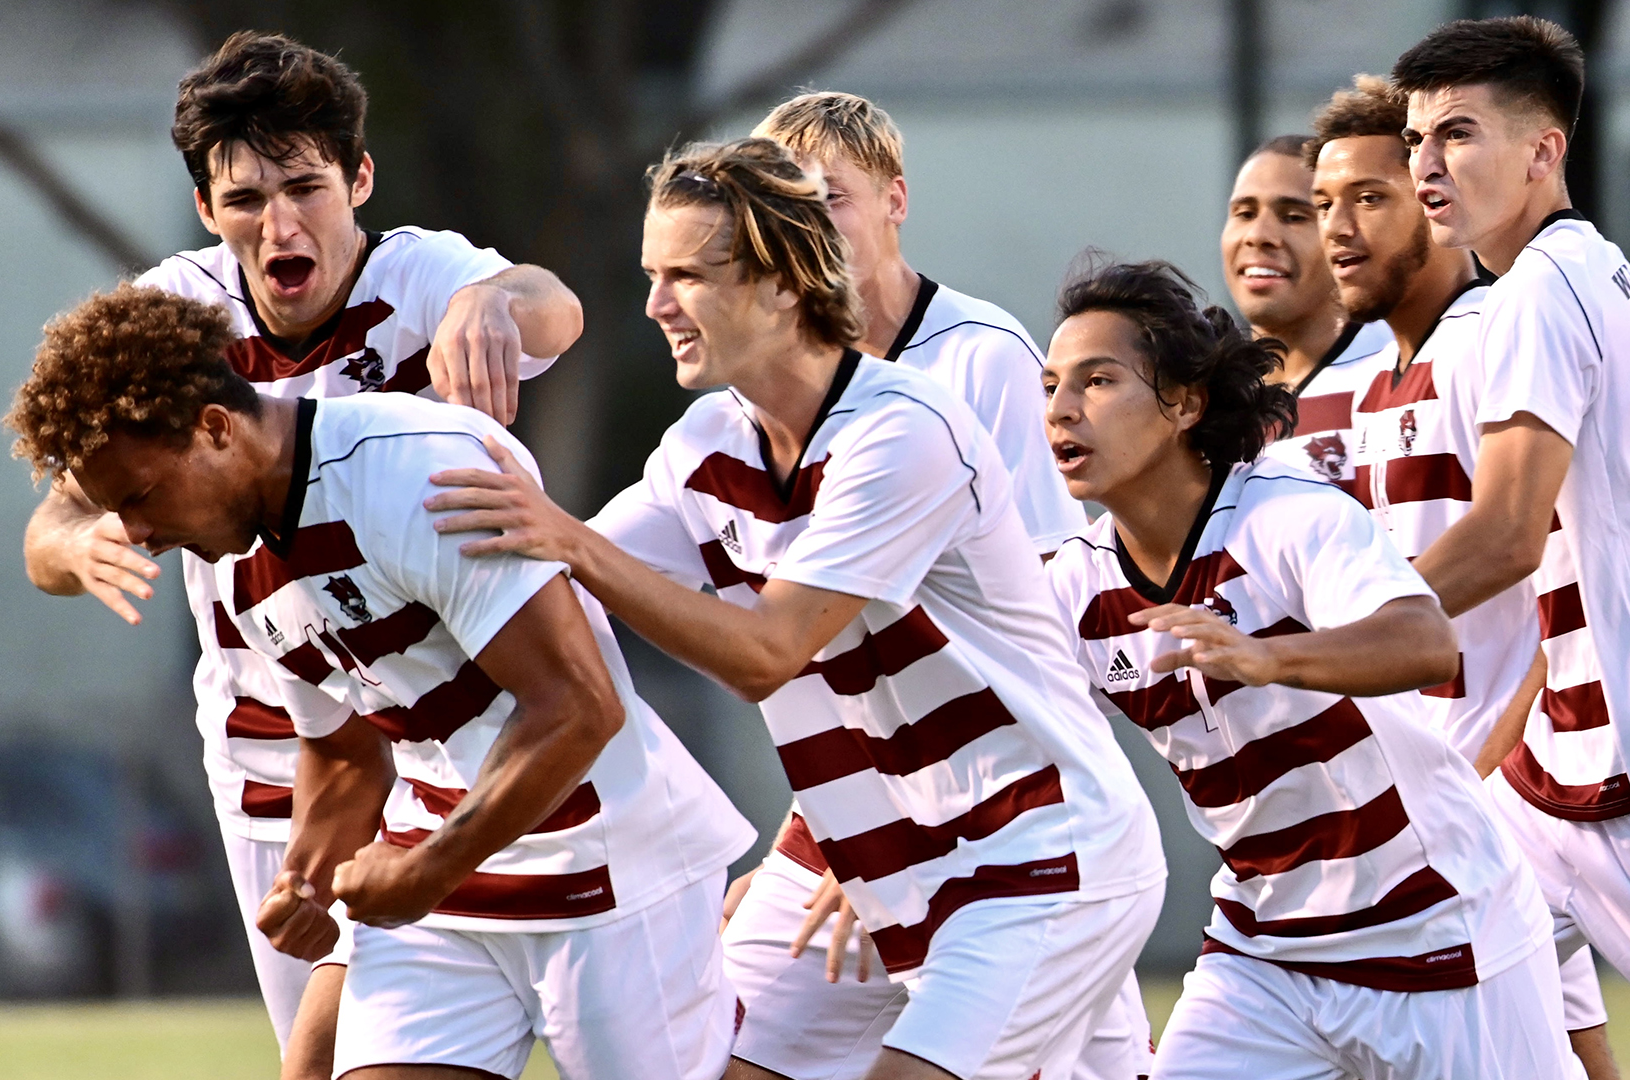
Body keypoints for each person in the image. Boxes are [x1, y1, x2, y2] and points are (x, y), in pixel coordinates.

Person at [426, 137, 1166, 1080]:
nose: (656, 304)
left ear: (783, 286)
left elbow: (765, 652)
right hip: (870, 860)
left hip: (1038, 858)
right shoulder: (707, 441)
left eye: (689, 275)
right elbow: (563, 596)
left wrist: (563, 536)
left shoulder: (904, 429)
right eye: (653, 275)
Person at [4, 284, 755, 1080]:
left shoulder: (414, 473)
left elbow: (580, 706)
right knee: (314, 1067)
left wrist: (426, 869)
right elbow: (343, 750)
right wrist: (305, 876)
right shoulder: (233, 570)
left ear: (215, 428)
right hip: (441, 881)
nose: (140, 534)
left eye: (142, 497)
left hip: (604, 866)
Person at [15, 32, 585, 1063]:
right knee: (325, 1051)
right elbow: (48, 526)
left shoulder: (419, 276)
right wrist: (84, 542)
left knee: (329, 1055)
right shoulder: (178, 313)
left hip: (423, 747)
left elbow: (556, 307)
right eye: (244, 200)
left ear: (359, 179)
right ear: (205, 210)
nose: (280, 222)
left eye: (305, 186)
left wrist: (490, 304)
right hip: (267, 750)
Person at [1041, 258, 1583, 1080]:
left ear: (1184, 403)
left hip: (1438, 931)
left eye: (1098, 380)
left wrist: (1269, 657)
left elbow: (1424, 640)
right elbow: (998, 732)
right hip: (1264, 956)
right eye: (1051, 386)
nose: (1061, 410)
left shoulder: (1285, 514)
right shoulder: (1072, 584)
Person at [703, 90, 1148, 1080]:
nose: (807, 229)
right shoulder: (771, 383)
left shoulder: (978, 361)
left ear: (896, 200)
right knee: (724, 1050)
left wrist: (882, 841)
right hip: (863, 808)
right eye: (785, 209)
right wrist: (833, 832)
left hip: (1020, 813)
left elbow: (1049, 612)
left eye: (832, 201)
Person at [1395, 16, 1630, 1077]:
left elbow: (1506, 536)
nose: (1426, 165)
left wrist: (1326, 631)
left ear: (1545, 149)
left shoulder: (1538, 296)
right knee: (1457, 996)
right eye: (1416, 138)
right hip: (1565, 769)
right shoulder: (1627, 285)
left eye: (1457, 134)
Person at [1308, 75, 1619, 1079]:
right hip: (1434, 804)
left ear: (1437, 199)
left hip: (1505, 799)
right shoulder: (1364, 378)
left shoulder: (1498, 331)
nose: (1338, 230)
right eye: (1325, 205)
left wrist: (1512, 759)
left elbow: (1559, 567)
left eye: (1372, 196)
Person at [1221, 135, 1391, 490]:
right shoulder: (1198, 408)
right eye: (1245, 213)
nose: (1259, 235)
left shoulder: (1397, 372)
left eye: (1294, 216)